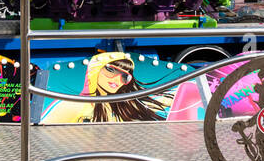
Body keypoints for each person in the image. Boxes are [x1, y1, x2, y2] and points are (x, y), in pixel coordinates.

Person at [39, 51, 173, 124]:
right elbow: (47, 137)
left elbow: (163, 101)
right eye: (111, 70)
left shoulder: (124, 104)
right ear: (95, 69)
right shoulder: (73, 105)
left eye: (124, 77)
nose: (117, 79)